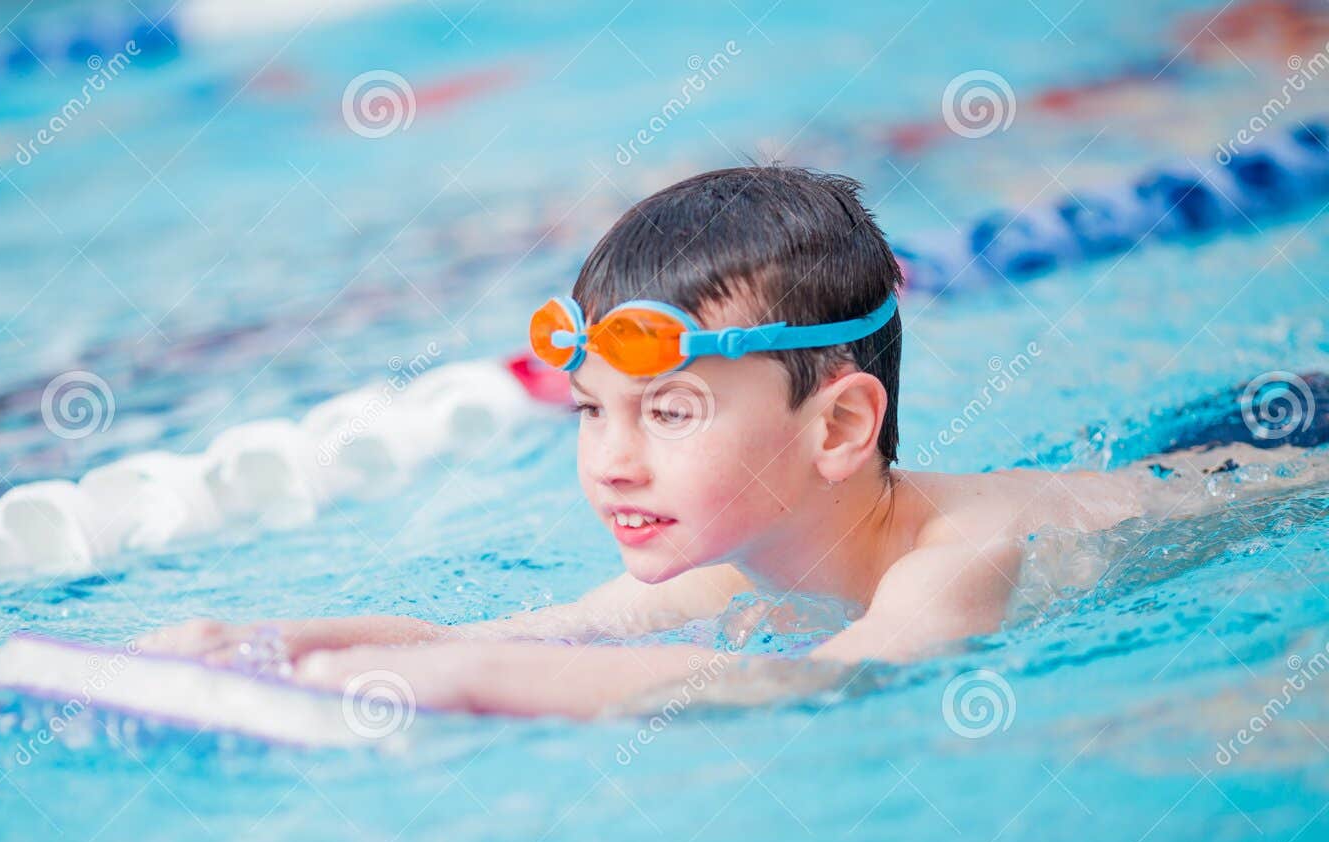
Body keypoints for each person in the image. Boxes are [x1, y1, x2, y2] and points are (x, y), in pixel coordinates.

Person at [136, 164, 1328, 718]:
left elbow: (825, 679)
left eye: (668, 412)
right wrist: (257, 643)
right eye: (590, 410)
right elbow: (486, 630)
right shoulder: (730, 561)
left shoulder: (956, 560)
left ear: (839, 428)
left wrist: (469, 688)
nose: (611, 459)